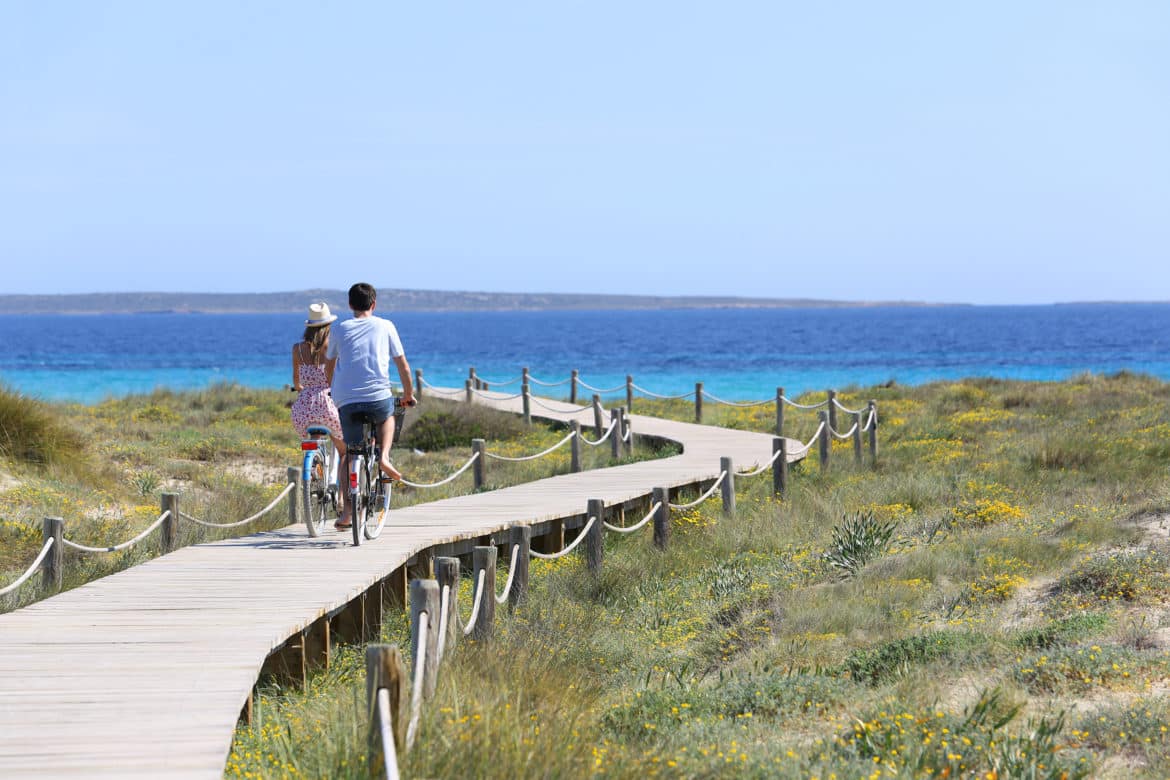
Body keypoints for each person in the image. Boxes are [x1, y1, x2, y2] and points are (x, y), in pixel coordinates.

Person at [327, 282, 416, 530]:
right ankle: (384, 456)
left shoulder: (339, 328)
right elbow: (403, 365)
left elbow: (329, 365)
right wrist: (408, 394)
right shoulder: (386, 326)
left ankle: (346, 513)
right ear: (373, 304)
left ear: (350, 305)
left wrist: (332, 390)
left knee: (350, 453)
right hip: (378, 398)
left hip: (347, 400)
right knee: (388, 416)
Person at [291, 303, 346, 460]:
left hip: (303, 410)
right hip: (328, 407)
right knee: (344, 452)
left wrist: (302, 388)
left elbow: (296, 382)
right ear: (328, 325)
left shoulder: (297, 349)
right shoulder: (332, 347)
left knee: (312, 433)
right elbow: (335, 378)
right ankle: (342, 482)